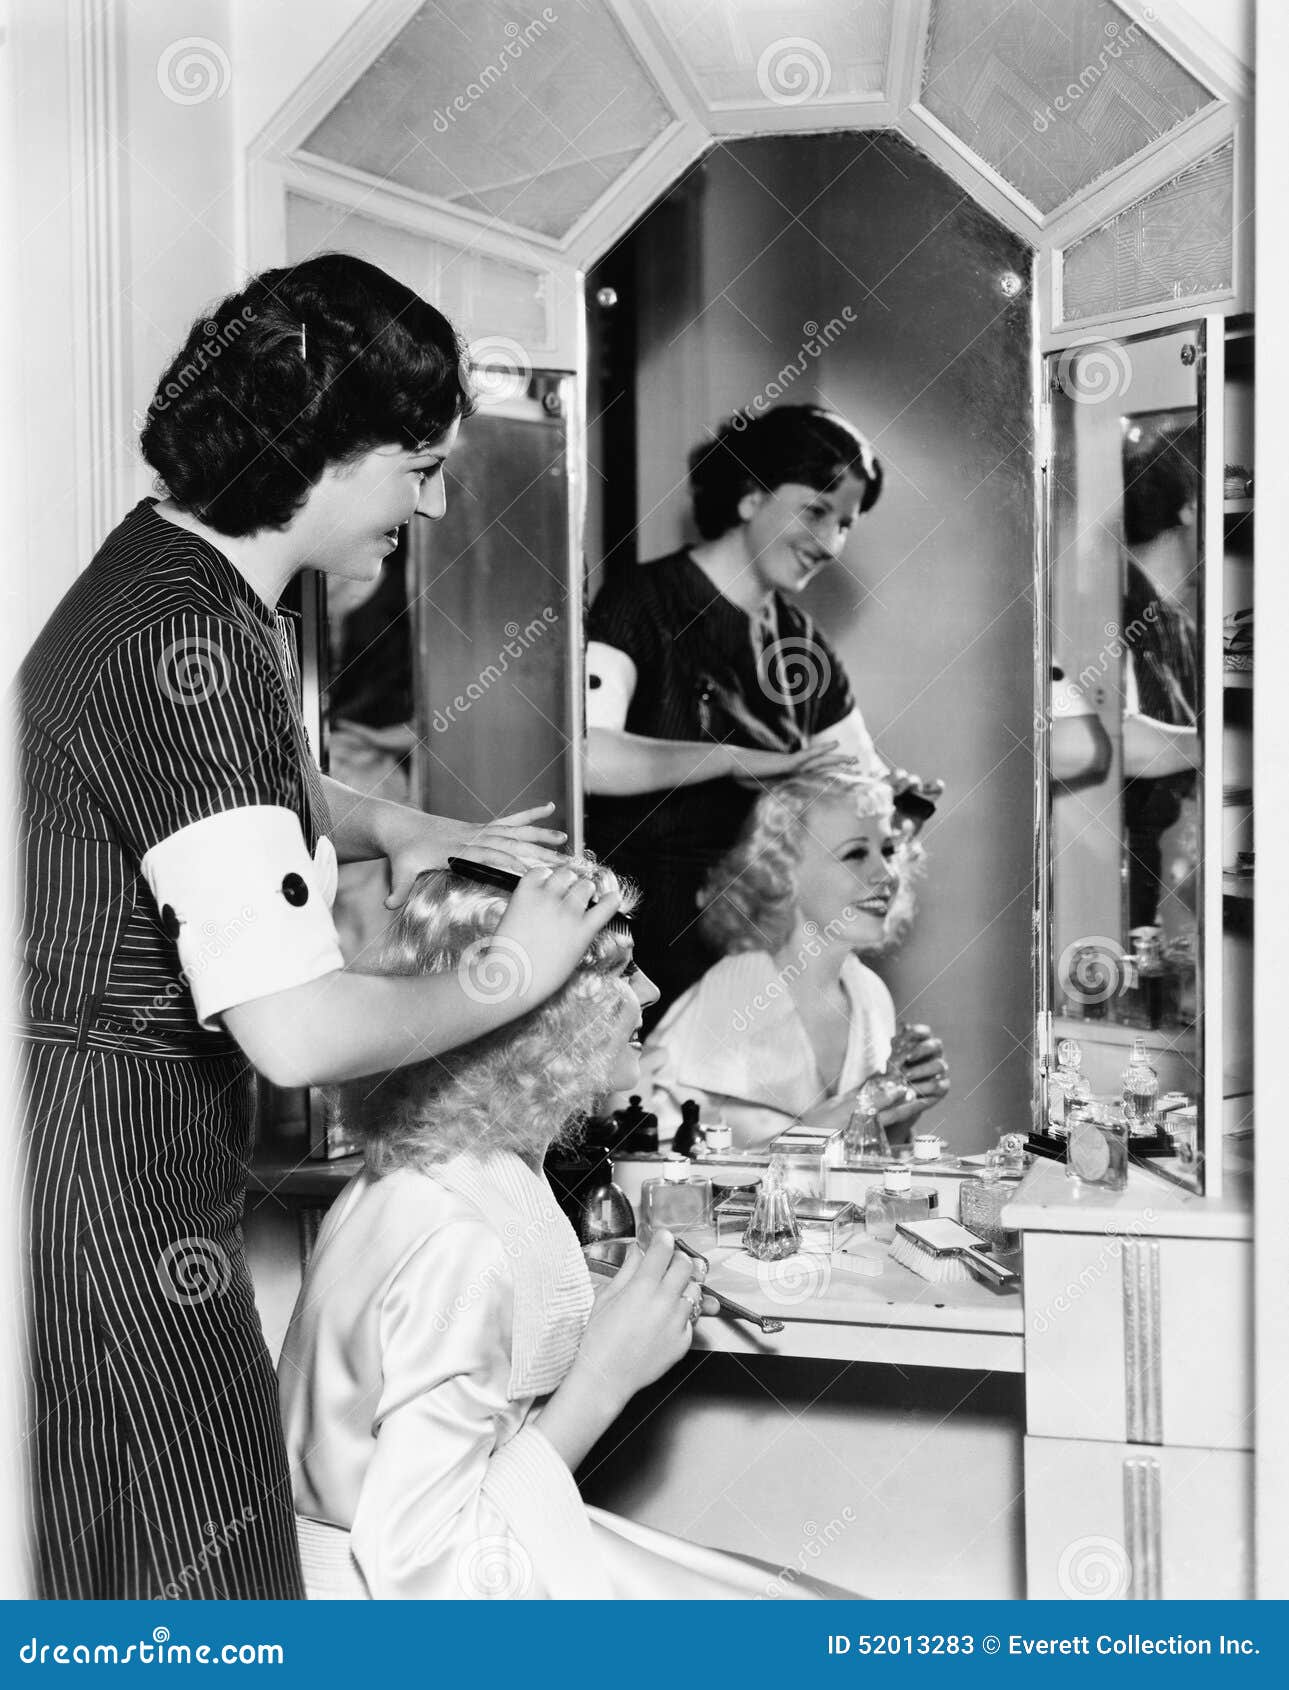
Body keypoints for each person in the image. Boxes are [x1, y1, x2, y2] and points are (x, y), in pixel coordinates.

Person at [14, 253, 613, 1600]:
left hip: (115, 1150)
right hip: (121, 1164)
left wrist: (389, 824)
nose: (437, 499)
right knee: (183, 1570)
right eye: (418, 465)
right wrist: (514, 969)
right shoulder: (199, 649)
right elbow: (296, 1033)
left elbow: (218, 799)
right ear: (327, 453)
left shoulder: (184, 580)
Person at [277, 859, 854, 1599]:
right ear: (542, 1011)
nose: (649, 991)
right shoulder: (466, 1239)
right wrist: (604, 1377)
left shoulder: (419, 1173)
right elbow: (423, 1580)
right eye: (621, 974)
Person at [584, 404, 940, 1019]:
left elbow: (857, 780)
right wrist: (733, 761)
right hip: (642, 943)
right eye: (815, 511)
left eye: (846, 524)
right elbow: (588, 756)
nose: (830, 543)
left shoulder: (802, 644)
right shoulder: (638, 601)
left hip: (758, 956)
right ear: (750, 496)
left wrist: (893, 801)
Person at [641, 772, 949, 1150]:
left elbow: (857, 1169)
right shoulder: (728, 999)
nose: (886, 874)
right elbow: (664, 1177)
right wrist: (847, 1113)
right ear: (783, 872)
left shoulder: (869, 993)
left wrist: (900, 1114)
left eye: (887, 851)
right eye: (855, 854)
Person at [1120, 419, 1200, 932]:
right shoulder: (1111, 596)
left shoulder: (1182, 618)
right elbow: (1115, 737)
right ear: (1193, 508)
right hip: (1124, 907)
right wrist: (1231, 746)